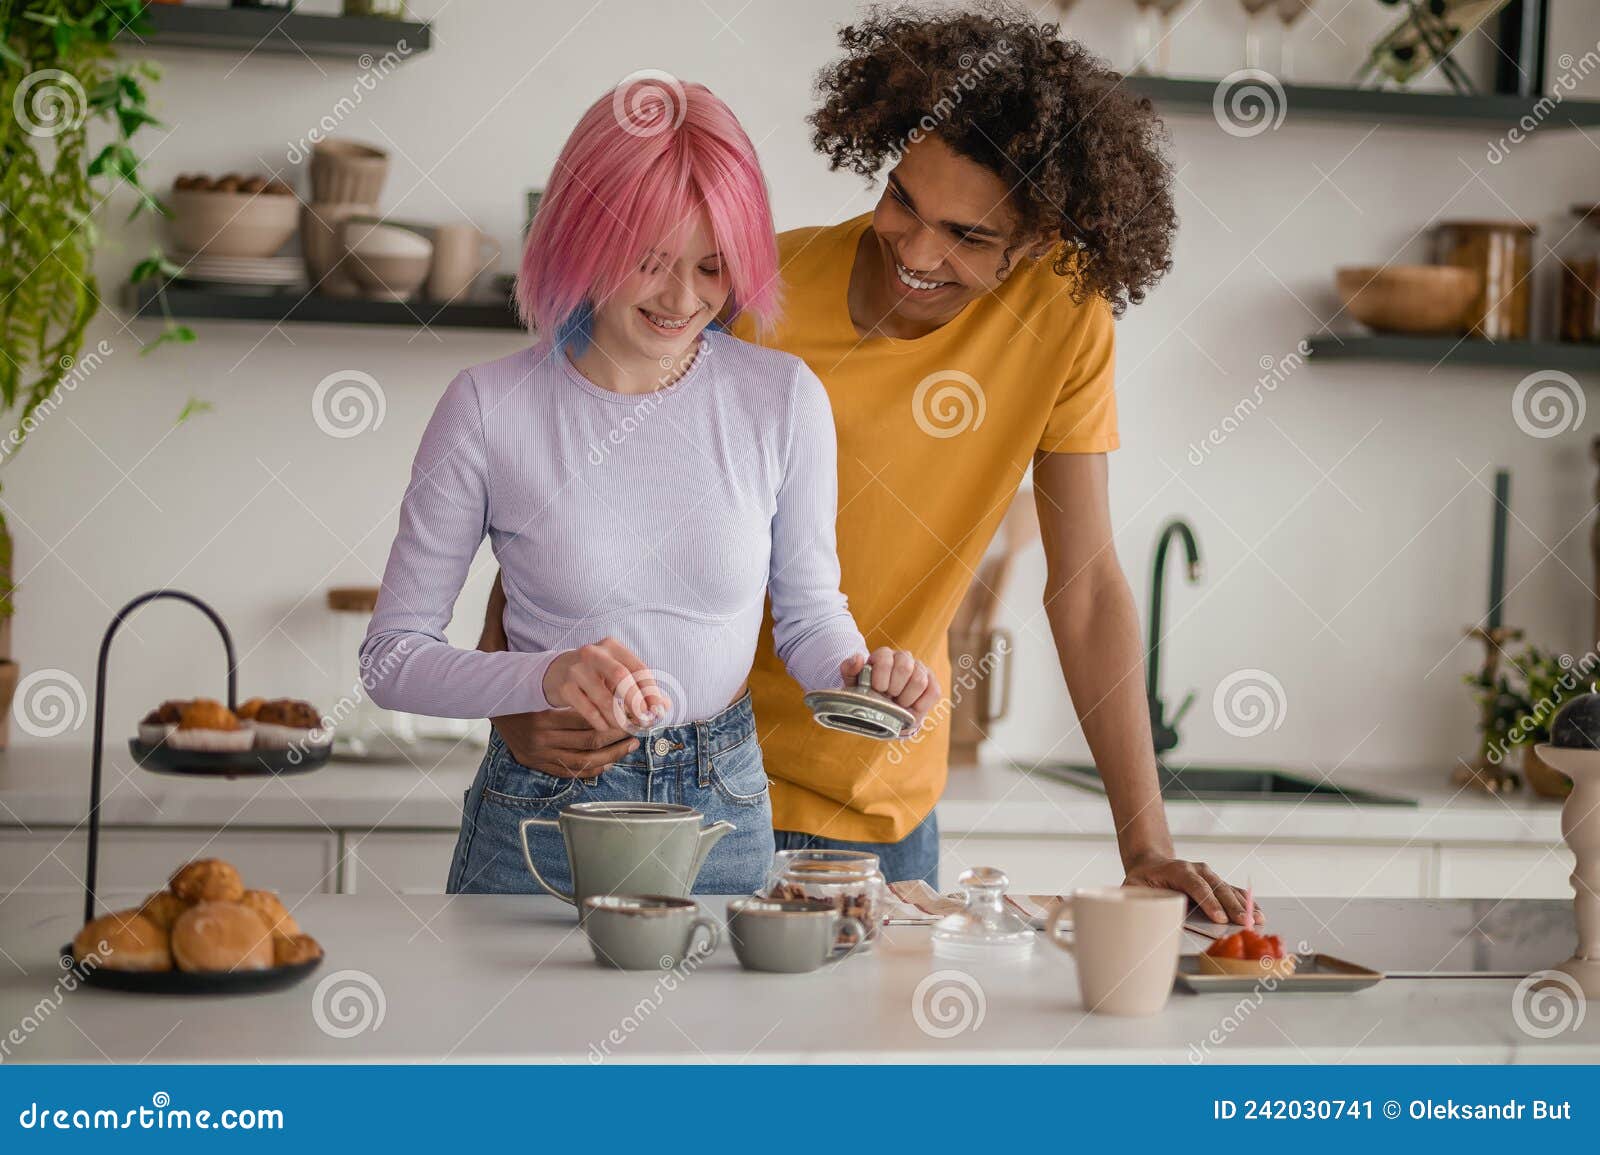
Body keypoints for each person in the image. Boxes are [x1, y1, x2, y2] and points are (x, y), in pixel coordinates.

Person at [481, 6, 1254, 922]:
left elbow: (1084, 587)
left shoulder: (1065, 322)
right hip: (681, 782)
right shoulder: (752, 297)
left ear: (1041, 240)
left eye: (969, 237)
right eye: (903, 201)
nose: (919, 253)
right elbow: (569, 506)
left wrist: (1146, 846)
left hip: (873, 809)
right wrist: (510, 696)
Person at [362, 78, 935, 896]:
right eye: (649, 262)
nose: (681, 299)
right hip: (545, 812)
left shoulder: (782, 397)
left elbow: (810, 616)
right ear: (581, 237)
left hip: (724, 806)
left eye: (712, 267)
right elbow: (392, 657)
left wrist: (861, 680)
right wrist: (541, 678)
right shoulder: (490, 408)